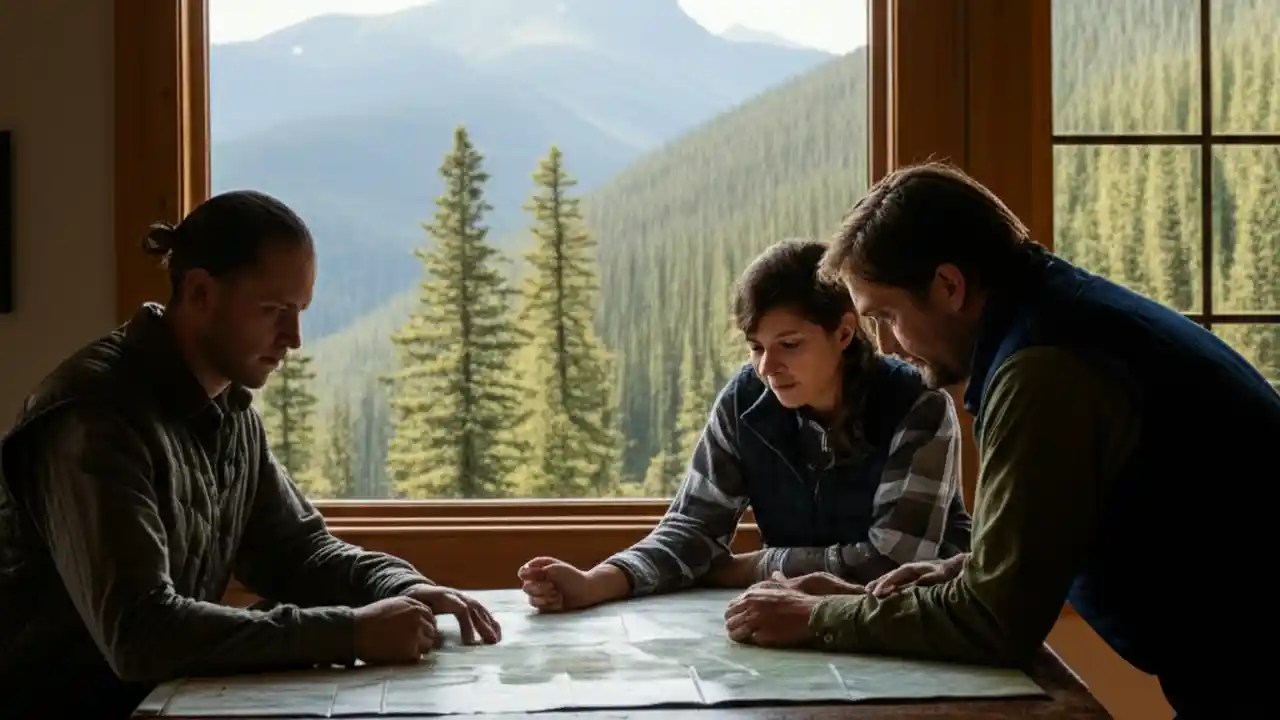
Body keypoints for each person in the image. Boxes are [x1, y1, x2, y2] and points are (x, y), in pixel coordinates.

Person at [722, 163, 1277, 717]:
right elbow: (1056, 530)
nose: (891, 344)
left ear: (949, 286)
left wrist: (816, 619)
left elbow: (996, 622)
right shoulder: (1063, 317)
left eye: (889, 315)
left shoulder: (1042, 370)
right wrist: (964, 572)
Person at [0, 191, 501, 718]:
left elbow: (298, 552)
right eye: (273, 311)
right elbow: (141, 631)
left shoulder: (230, 411)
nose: (294, 338)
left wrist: (406, 586)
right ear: (200, 293)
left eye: (300, 312)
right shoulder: (93, 418)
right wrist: (351, 633)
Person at [518, 238, 971, 613]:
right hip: (790, 621)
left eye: (789, 345)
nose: (768, 367)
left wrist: (745, 567)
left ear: (844, 333)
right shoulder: (747, 401)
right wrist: (596, 582)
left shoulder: (918, 406)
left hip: (916, 627)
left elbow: (892, 563)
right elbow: (692, 528)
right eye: (756, 347)